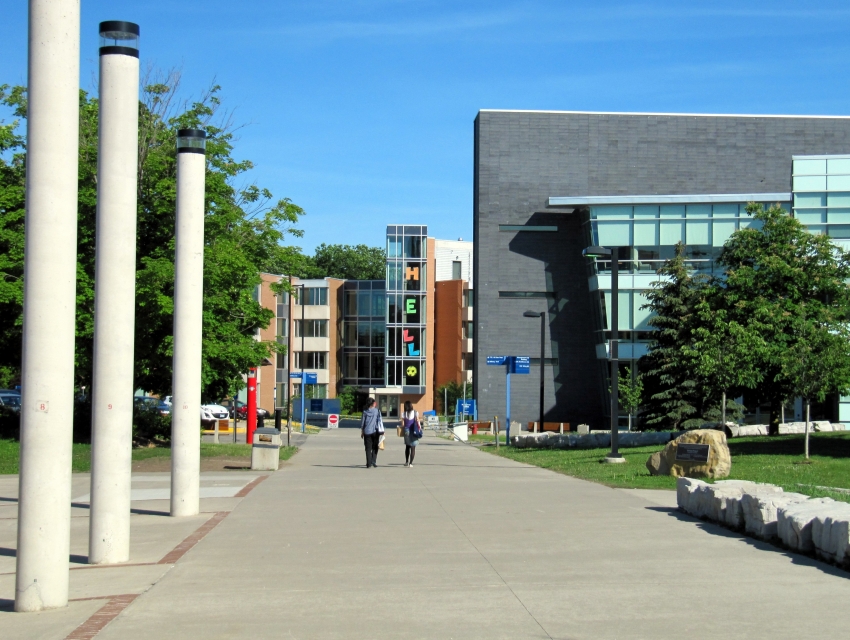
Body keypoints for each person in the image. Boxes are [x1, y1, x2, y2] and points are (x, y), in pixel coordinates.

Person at [360, 397, 383, 468]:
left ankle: (368, 463)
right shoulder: (377, 411)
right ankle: (374, 461)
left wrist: (362, 431)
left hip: (367, 431)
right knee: (375, 447)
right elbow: (380, 421)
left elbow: (362, 423)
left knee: (368, 448)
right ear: (373, 403)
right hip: (375, 431)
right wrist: (382, 431)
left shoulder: (365, 412)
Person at [402, 401, 421, 467]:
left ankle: (406, 461)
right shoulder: (416, 412)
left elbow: (403, 424)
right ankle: (411, 463)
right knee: (413, 447)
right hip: (413, 430)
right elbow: (418, 420)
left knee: (407, 447)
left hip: (406, 430)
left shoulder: (404, 413)